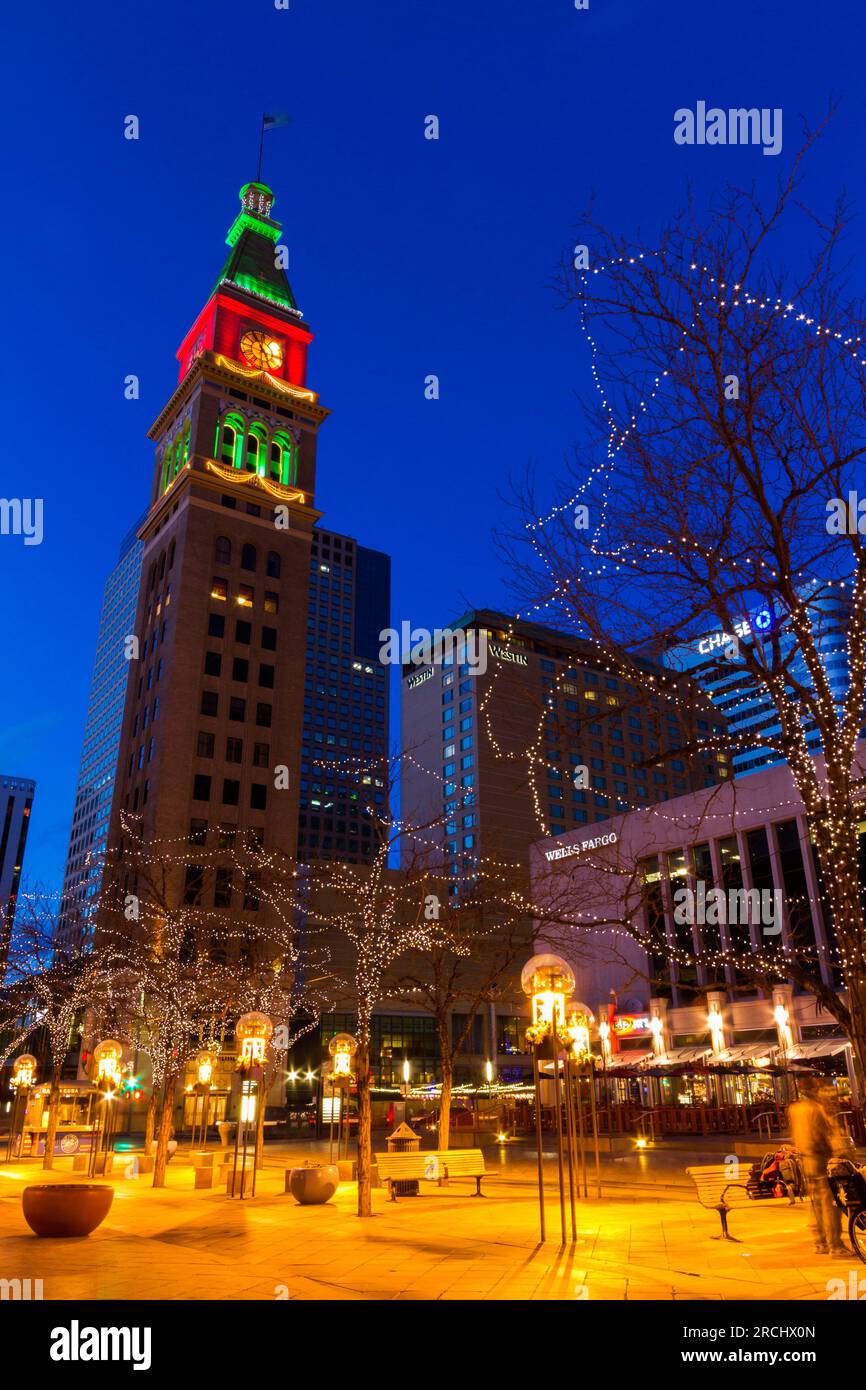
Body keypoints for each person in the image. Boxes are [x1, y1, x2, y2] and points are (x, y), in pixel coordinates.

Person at [787, 1075, 845, 1255]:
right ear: (813, 1091)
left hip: (805, 1159)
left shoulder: (795, 1109)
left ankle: (819, 1242)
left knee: (815, 1204)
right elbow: (822, 1135)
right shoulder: (816, 1109)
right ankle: (835, 1244)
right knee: (830, 1203)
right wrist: (835, 1154)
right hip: (820, 1158)